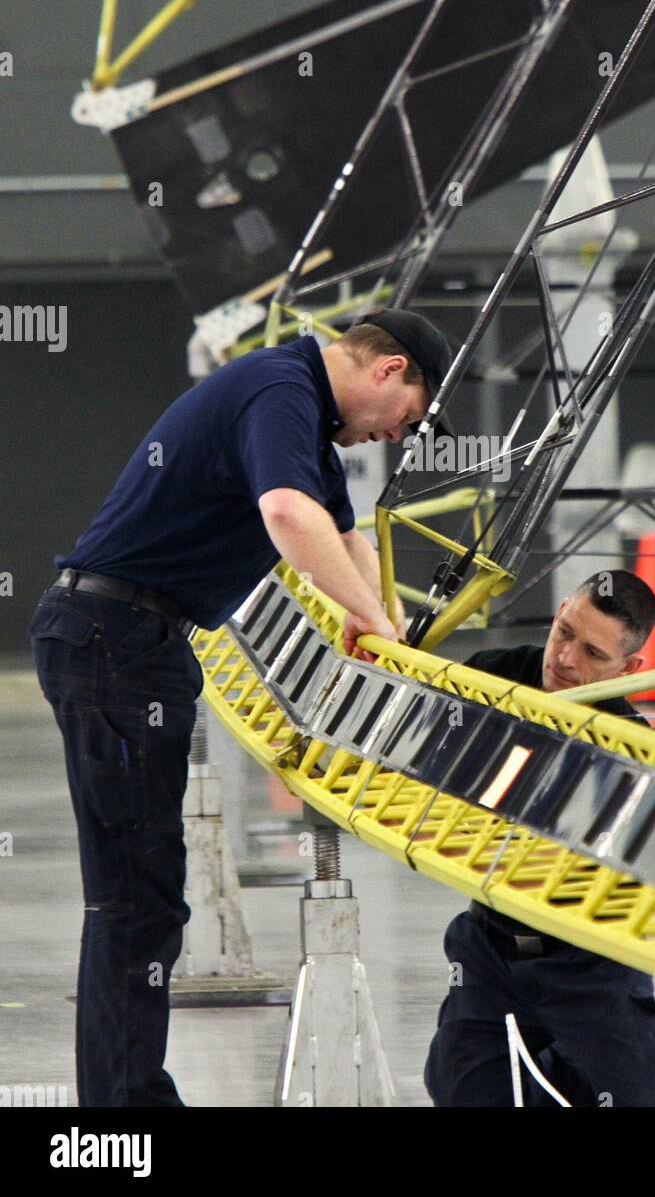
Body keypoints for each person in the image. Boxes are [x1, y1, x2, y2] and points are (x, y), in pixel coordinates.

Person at [28, 308, 451, 1107]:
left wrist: (389, 631)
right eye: (411, 418)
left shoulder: (296, 401)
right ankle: (124, 1117)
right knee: (133, 895)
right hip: (113, 639)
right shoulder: (279, 389)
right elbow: (288, 515)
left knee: (141, 892)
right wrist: (365, 617)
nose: (397, 435)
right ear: (389, 372)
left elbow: (343, 536)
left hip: (129, 640)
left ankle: (126, 1101)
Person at [424, 570, 655, 1108]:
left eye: (594, 653)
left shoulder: (633, 751)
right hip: (491, 945)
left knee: (638, 1091)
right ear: (559, 611)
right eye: (565, 631)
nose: (567, 659)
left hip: (588, 959)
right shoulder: (488, 681)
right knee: (461, 1088)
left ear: (630, 668)